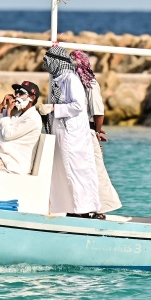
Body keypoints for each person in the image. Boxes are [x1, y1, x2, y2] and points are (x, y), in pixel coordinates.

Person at [41, 46, 103, 218]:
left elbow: (78, 105)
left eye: (48, 61)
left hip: (72, 136)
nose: (45, 64)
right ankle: (70, 207)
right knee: (63, 172)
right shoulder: (57, 79)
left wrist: (53, 107)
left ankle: (83, 209)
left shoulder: (70, 79)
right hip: (62, 134)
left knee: (77, 172)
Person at [71, 51, 122, 213]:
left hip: (86, 132)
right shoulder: (75, 83)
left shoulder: (90, 84)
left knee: (95, 171)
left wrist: (97, 132)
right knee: (81, 171)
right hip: (79, 131)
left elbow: (98, 112)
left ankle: (101, 209)